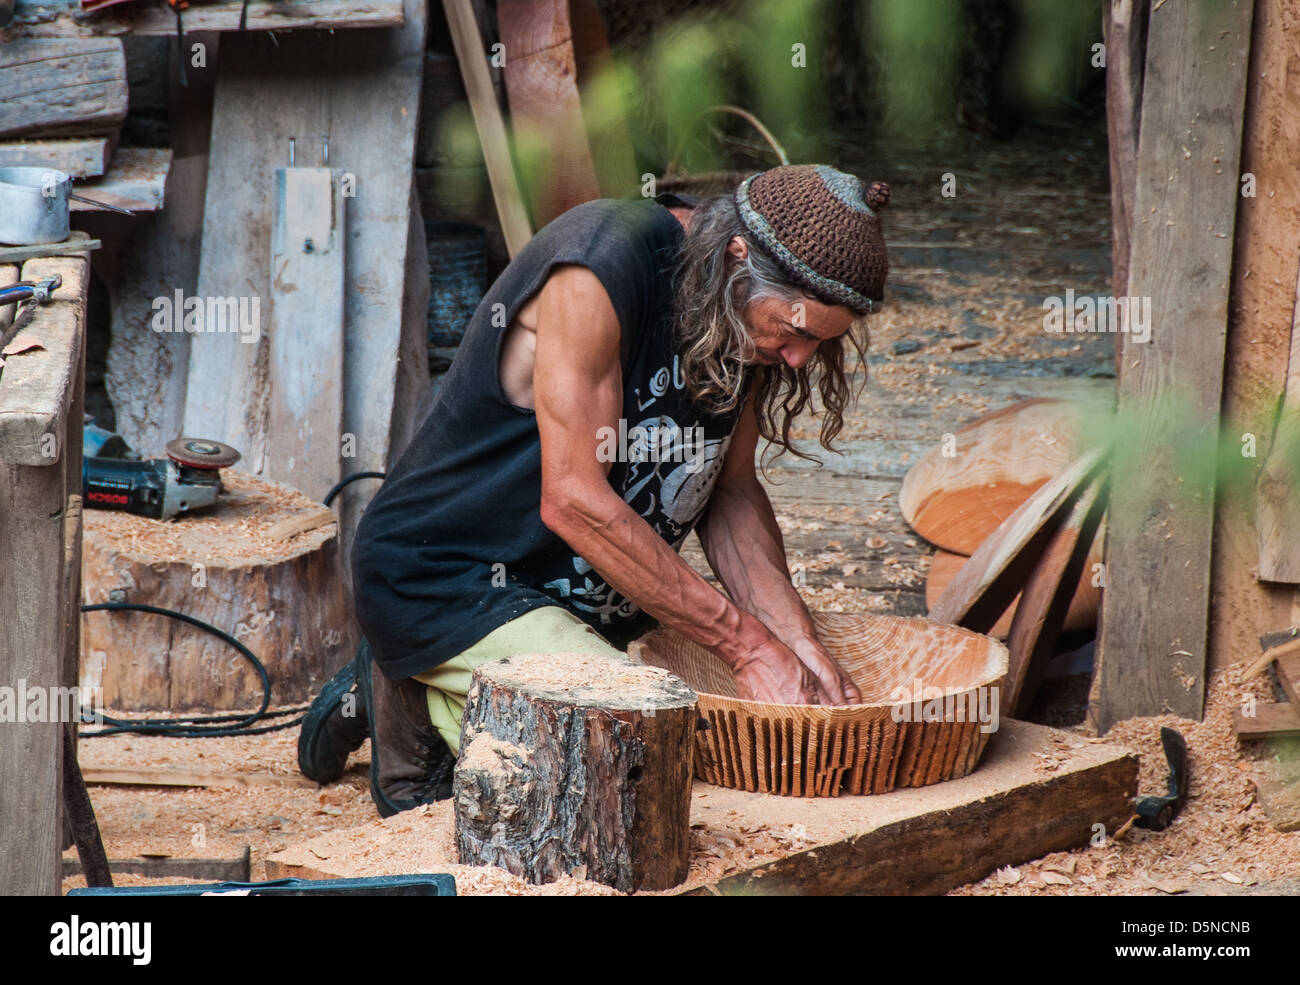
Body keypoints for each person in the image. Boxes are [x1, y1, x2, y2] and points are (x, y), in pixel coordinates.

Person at [298, 164, 891, 815]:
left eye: (819, 341)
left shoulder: (745, 313)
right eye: (799, 330)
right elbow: (573, 498)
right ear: (737, 255)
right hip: (447, 576)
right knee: (634, 743)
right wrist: (747, 643)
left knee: (680, 722)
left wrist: (800, 645)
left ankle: (422, 671)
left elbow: (732, 492)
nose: (801, 357)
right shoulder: (600, 270)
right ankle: (407, 676)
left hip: (582, 600)